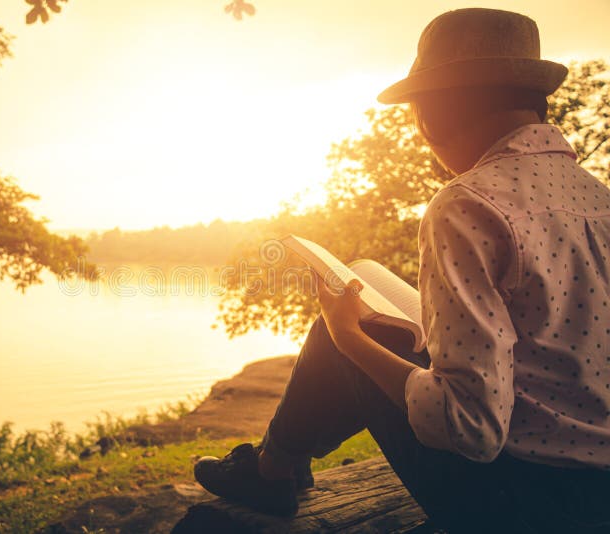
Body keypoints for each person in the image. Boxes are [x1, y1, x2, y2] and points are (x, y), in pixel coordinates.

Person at [193, 8, 610, 533]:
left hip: (521, 505)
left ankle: (274, 469)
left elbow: (470, 428)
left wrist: (348, 338)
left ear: (433, 112)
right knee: (376, 313)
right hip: (598, 492)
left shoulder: (467, 203)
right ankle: (278, 464)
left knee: (345, 325)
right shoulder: (598, 198)